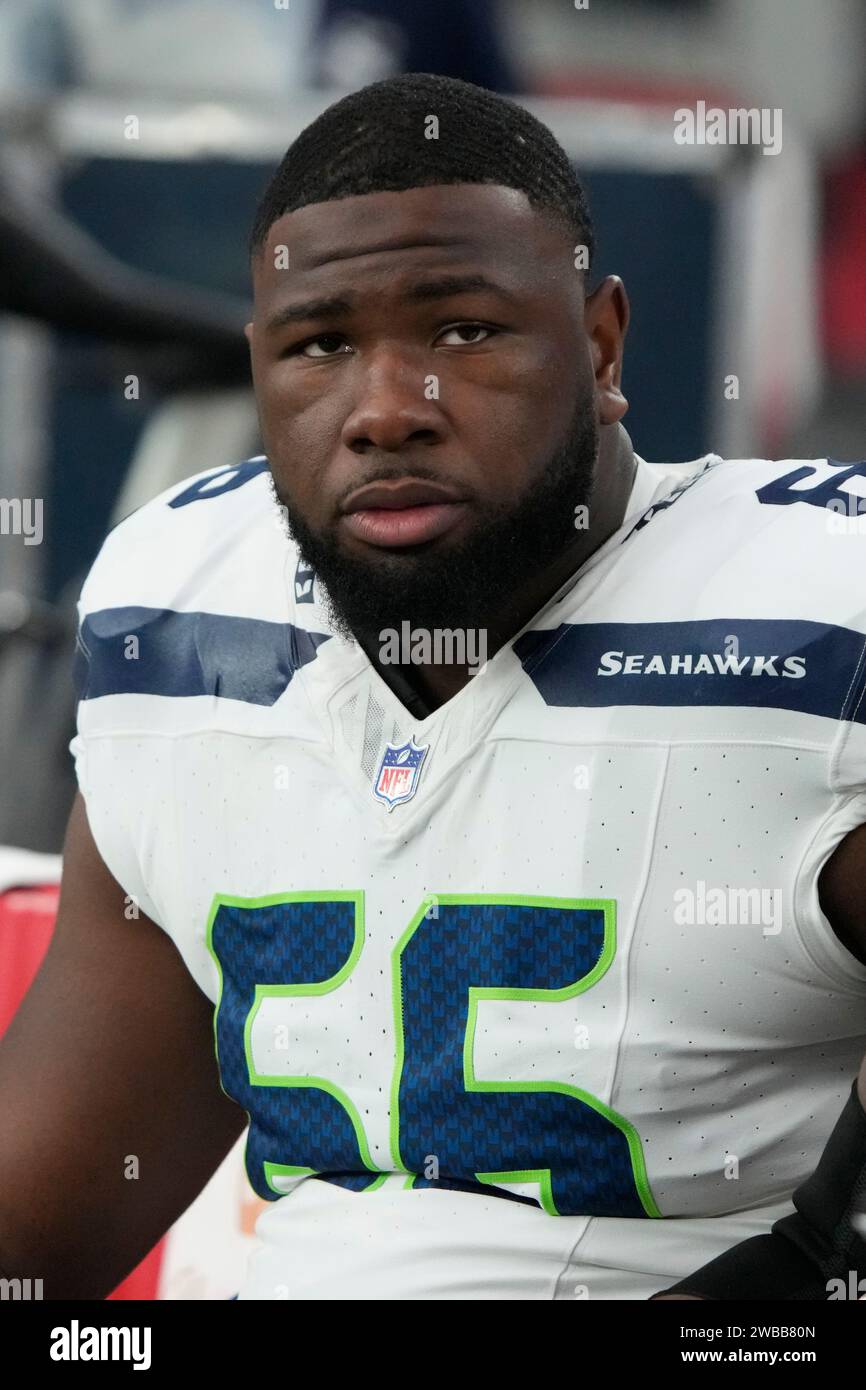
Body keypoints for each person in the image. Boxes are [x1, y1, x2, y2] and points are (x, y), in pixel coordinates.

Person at [1, 73, 864, 1301]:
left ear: (601, 343)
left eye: (462, 330)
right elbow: (35, 1233)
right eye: (321, 346)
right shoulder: (185, 609)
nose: (383, 411)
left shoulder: (813, 618)